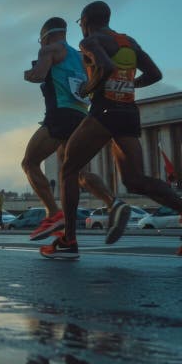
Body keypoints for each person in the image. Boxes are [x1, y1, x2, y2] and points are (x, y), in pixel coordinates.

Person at [42, 1, 182, 259]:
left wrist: (89, 87)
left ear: (85, 21)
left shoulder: (91, 41)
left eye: (80, 23)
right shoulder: (129, 41)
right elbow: (155, 73)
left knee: (69, 168)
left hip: (105, 111)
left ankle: (69, 239)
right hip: (129, 113)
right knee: (135, 180)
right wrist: (129, 84)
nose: (81, 28)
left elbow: (105, 66)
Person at [22, 17, 121, 243]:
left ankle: (53, 213)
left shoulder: (50, 49)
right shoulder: (79, 56)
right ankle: (113, 202)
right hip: (81, 116)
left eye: (41, 40)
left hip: (60, 114)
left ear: (45, 36)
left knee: (29, 162)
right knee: (77, 173)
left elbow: (38, 75)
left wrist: (29, 72)